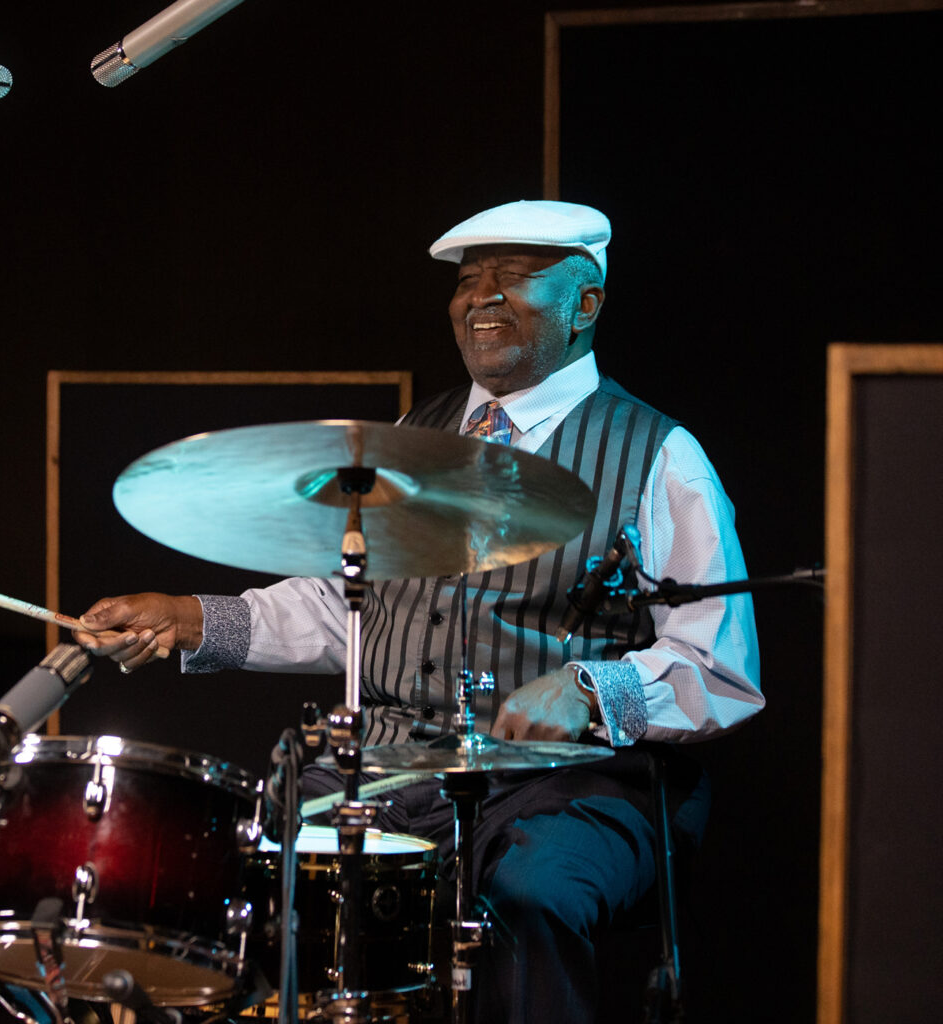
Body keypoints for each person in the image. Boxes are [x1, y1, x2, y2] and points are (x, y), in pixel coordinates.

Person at [72, 200, 761, 1023]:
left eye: (515, 278)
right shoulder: (414, 437)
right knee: (256, 858)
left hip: (572, 783)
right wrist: (190, 618)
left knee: (528, 892)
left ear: (587, 303)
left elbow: (719, 668)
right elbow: (347, 611)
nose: (483, 299)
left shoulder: (659, 455)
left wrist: (589, 690)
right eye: (469, 282)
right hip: (400, 765)